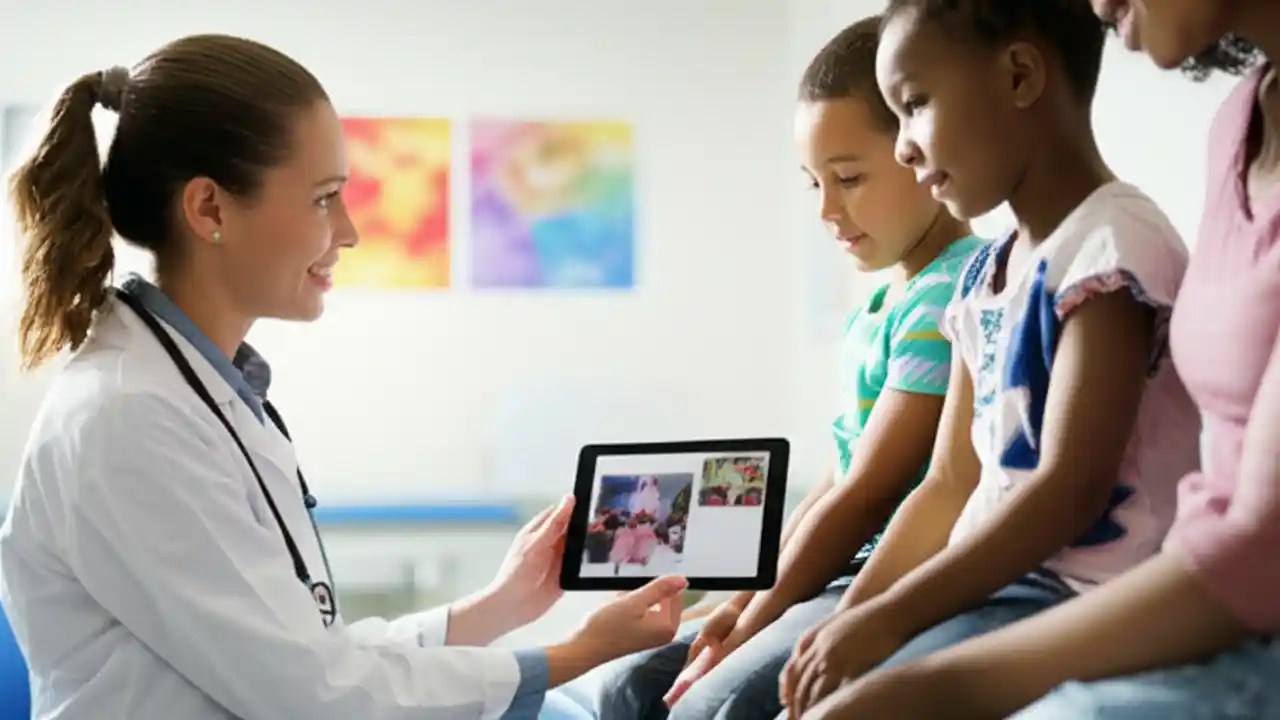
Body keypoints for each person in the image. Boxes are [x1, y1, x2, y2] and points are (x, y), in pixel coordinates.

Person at [0, 34, 687, 720]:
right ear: (210, 209)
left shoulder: (202, 393)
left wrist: (499, 606)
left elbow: (309, 658)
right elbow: (312, 695)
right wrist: (575, 655)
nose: (351, 230)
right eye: (324, 198)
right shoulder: (129, 417)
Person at [804, 2, 1280, 718]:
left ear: (1022, 75)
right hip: (1149, 584)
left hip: (1118, 592)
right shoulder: (1237, 123)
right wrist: (853, 620)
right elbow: (951, 480)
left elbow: (1081, 490)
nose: (904, 147)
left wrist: (922, 659)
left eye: (915, 106)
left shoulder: (1113, 246)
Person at [543, 16, 982, 719]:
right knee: (626, 686)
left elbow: (869, 494)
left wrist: (753, 620)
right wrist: (744, 597)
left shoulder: (953, 290)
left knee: (706, 708)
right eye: (814, 183)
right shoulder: (880, 301)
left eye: (849, 178)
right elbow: (838, 477)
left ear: (917, 150)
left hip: (884, 576)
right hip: (831, 570)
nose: (828, 210)